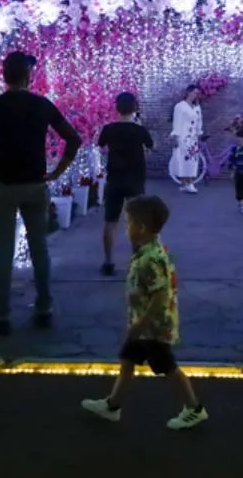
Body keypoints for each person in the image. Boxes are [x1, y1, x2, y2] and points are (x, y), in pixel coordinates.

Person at [81, 195, 208, 431]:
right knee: (128, 360)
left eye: (128, 222)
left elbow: (160, 295)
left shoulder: (150, 259)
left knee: (167, 367)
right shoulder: (150, 251)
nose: (126, 227)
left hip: (152, 329)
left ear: (141, 228)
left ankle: (194, 408)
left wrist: (141, 324)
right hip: (143, 325)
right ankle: (113, 405)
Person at [0, 51, 81, 333]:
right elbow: (73, 138)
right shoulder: (42, 105)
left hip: (3, 185)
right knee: (39, 249)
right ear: (28, 76)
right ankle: (44, 309)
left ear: (4, 75)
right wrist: (58, 171)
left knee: (3, 251)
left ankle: (0, 316)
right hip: (35, 184)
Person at [97, 92, 154, 276]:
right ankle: (136, 263)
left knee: (110, 222)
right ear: (135, 108)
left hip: (115, 180)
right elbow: (151, 147)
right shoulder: (140, 130)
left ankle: (108, 262)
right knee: (136, 221)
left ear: (117, 108)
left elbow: (101, 146)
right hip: (135, 180)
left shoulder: (109, 129)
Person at [169, 84, 204, 193]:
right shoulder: (180, 106)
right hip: (183, 137)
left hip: (193, 139)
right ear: (188, 92)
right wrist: (176, 136)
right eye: (194, 93)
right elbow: (177, 122)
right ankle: (186, 183)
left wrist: (199, 133)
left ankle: (190, 182)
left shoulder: (197, 107)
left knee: (193, 160)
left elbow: (199, 121)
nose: (196, 95)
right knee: (183, 160)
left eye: (197, 93)